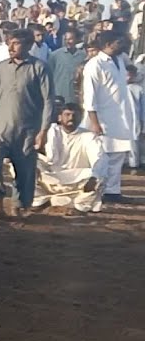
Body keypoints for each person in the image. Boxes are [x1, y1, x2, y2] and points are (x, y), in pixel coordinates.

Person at [0, 29, 52, 218]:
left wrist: (43, 130)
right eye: (9, 42)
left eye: (16, 43)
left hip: (27, 129)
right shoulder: (2, 66)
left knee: (24, 169)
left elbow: (48, 101)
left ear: (28, 46)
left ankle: (18, 206)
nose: (10, 47)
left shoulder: (39, 67)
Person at [80, 31, 136, 203]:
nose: (122, 45)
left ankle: (113, 191)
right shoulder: (94, 65)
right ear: (109, 44)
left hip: (120, 116)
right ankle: (95, 193)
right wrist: (95, 122)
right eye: (119, 42)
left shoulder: (119, 60)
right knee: (101, 157)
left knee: (118, 154)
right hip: (101, 117)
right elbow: (89, 97)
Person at [35, 103, 106, 213]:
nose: (71, 118)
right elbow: (43, 155)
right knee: (24, 165)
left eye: (75, 115)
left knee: (99, 176)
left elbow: (99, 158)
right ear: (59, 117)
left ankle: (78, 206)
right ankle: (39, 201)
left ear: (81, 118)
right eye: (67, 115)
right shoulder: (50, 132)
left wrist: (94, 177)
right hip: (51, 178)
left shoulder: (89, 136)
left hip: (77, 180)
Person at [47, 29, 86, 104]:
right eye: (65, 39)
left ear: (76, 40)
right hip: (59, 95)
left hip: (76, 96)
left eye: (70, 39)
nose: (67, 42)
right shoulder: (55, 55)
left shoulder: (83, 55)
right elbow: (49, 75)